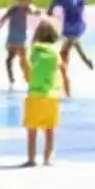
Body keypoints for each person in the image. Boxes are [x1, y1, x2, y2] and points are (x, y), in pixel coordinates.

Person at [23, 19, 66, 167]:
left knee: (32, 129)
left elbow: (29, 69)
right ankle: (48, 157)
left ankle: (31, 157)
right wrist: (66, 88)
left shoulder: (35, 51)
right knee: (49, 130)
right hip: (51, 95)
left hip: (34, 94)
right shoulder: (55, 52)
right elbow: (62, 69)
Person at [48, 0, 93, 97]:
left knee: (64, 59)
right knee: (63, 59)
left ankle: (66, 91)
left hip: (73, 32)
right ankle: (65, 90)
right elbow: (52, 7)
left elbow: (79, 13)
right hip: (67, 32)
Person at [0, 0, 37, 86]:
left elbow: (35, 12)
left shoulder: (28, 8)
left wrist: (36, 13)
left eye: (29, 0)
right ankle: (11, 78)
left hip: (21, 38)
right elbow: (3, 19)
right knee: (10, 58)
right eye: (26, 0)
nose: (28, 3)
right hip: (12, 38)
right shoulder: (13, 9)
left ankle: (28, 77)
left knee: (23, 58)